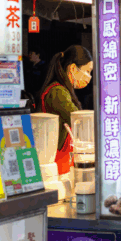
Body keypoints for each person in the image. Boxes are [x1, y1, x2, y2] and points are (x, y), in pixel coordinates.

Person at [38, 45, 93, 175]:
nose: (89, 77)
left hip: (60, 162)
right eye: (87, 71)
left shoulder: (62, 91)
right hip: (57, 163)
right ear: (73, 68)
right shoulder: (58, 92)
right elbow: (78, 120)